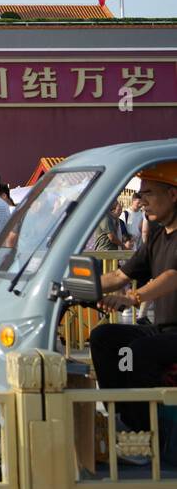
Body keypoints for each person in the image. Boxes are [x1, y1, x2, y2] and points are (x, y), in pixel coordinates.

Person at [88, 164, 177, 435]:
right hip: (163, 330)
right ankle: (120, 415)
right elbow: (119, 275)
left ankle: (145, 433)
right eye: (140, 194)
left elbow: (172, 276)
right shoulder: (158, 237)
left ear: (173, 194)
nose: (141, 200)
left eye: (148, 193)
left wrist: (132, 298)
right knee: (104, 337)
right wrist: (73, 287)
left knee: (138, 351)